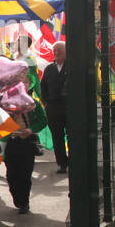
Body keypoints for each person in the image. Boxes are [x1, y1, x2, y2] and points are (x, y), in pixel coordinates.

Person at [39, 41, 69, 174]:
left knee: (72, 136)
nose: (56, 53)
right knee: (57, 137)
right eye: (55, 50)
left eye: (60, 50)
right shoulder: (49, 68)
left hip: (69, 107)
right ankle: (61, 163)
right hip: (53, 107)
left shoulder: (72, 67)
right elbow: (43, 87)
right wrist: (46, 103)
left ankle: (73, 161)